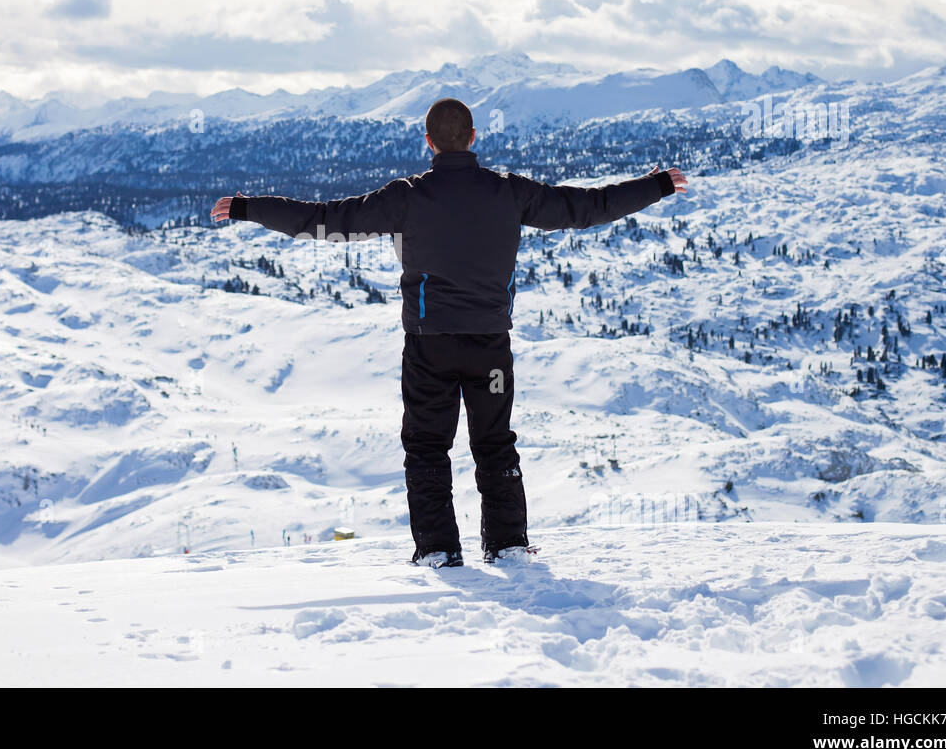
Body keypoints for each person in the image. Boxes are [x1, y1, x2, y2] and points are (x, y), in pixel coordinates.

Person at [211, 98, 689, 567]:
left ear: (429, 143)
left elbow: (326, 221)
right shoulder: (509, 191)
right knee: (495, 442)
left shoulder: (407, 196)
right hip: (490, 348)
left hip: (428, 347)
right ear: (474, 138)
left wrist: (250, 208)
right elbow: (588, 207)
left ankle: (438, 549)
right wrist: (656, 186)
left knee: (426, 446)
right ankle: (507, 545)